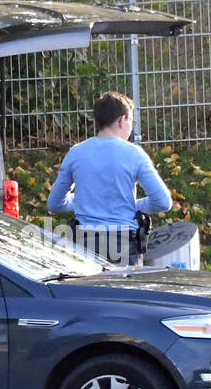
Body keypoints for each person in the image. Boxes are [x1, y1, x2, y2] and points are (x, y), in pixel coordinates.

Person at [47, 91, 172, 265]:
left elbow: (54, 203)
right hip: (124, 245)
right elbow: (163, 202)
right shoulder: (134, 154)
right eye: (131, 121)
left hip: (84, 244)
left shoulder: (76, 152)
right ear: (122, 120)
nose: (131, 126)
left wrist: (86, 201)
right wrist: (131, 204)